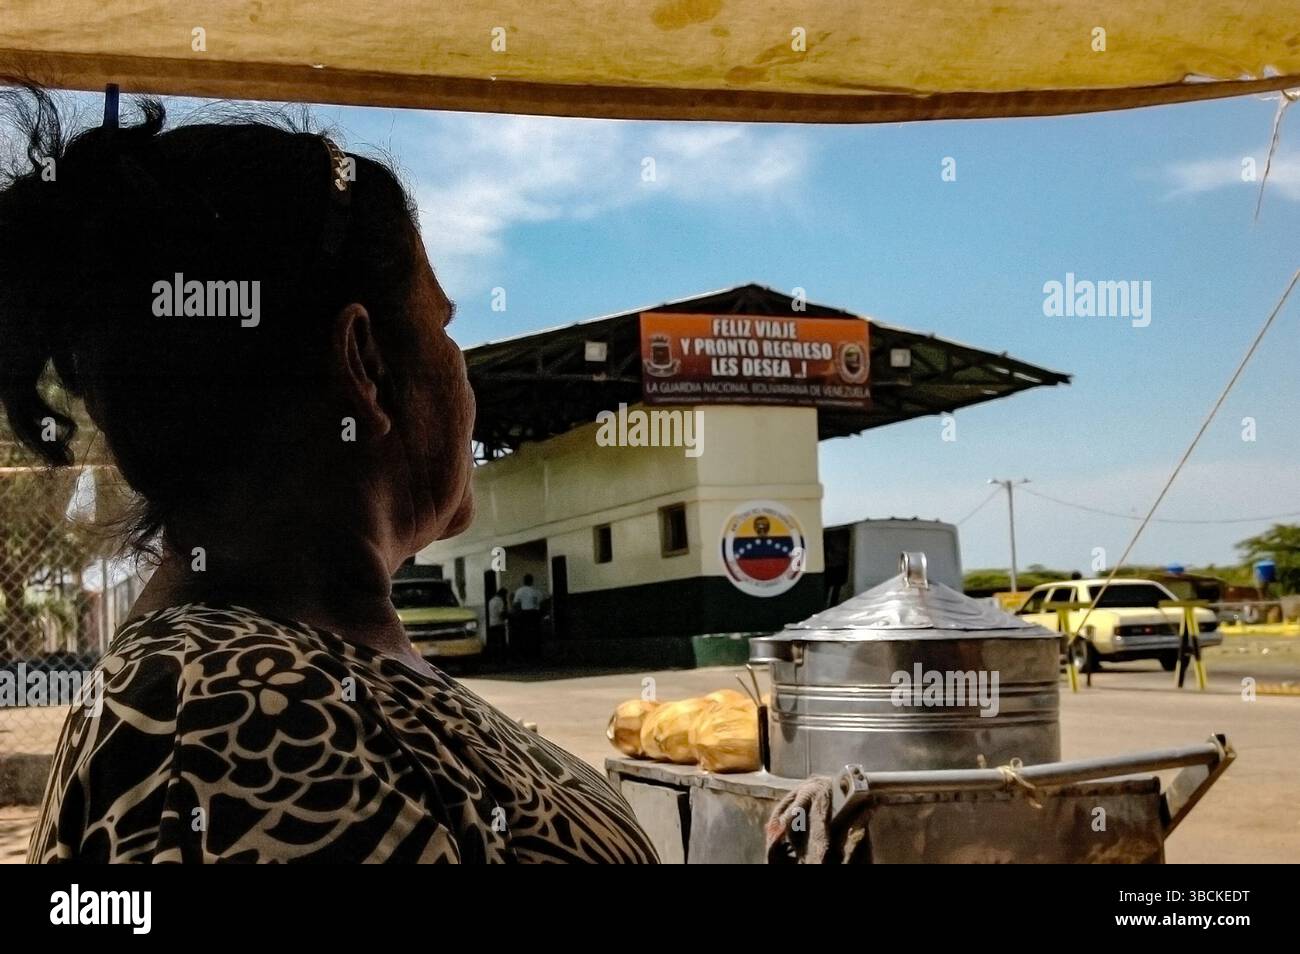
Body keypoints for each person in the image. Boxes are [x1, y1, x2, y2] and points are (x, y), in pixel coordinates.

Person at [1, 86, 656, 863]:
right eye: (443, 325)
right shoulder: (240, 723)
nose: (461, 364)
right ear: (365, 365)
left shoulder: (284, 662)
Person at [512, 574, 544, 660]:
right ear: (532, 581)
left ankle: (526, 655)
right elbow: (541, 604)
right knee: (535, 634)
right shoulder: (536, 591)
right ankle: (536, 654)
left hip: (524, 615)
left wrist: (516, 616)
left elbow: (516, 604)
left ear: (524, 581)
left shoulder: (519, 591)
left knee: (524, 635)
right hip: (535, 614)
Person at [486, 586, 508, 657]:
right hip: (499, 624)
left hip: (492, 623)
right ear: (503, 594)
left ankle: (493, 657)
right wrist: (507, 616)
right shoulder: (500, 601)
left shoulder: (491, 601)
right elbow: (501, 613)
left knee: (494, 642)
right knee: (501, 642)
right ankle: (501, 658)